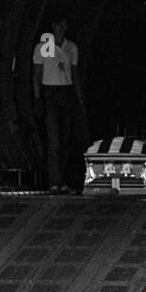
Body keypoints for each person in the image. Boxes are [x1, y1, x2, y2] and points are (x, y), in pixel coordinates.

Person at [32, 16, 86, 193]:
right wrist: (38, 97)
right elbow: (37, 73)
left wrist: (78, 97)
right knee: (54, 139)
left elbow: (75, 73)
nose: (62, 27)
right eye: (58, 24)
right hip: (50, 93)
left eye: (64, 24)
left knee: (65, 139)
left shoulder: (71, 47)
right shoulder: (44, 47)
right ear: (53, 25)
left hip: (67, 92)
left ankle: (62, 180)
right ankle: (54, 181)